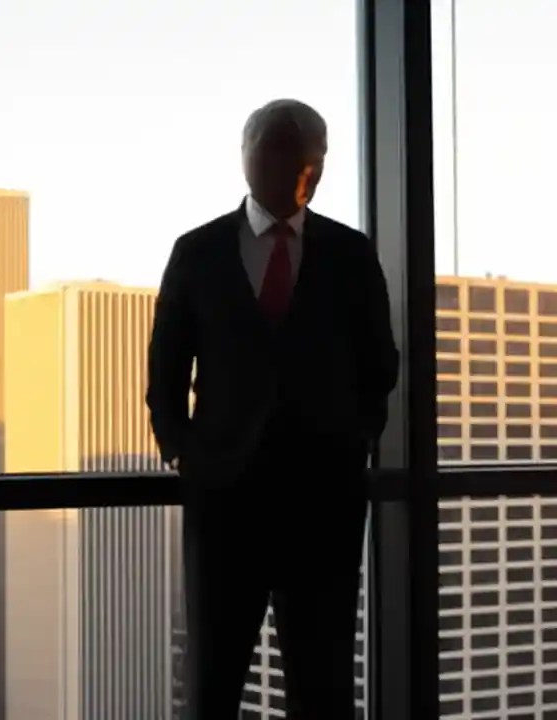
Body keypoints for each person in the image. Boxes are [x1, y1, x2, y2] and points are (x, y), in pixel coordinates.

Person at [146, 98, 399, 718]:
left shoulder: (351, 253)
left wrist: (354, 442)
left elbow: (380, 364)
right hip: (224, 502)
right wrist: (183, 452)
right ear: (247, 157)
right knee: (213, 680)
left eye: (305, 156)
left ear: (321, 166)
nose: (295, 169)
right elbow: (166, 369)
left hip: (324, 505)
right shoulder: (197, 251)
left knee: (324, 683)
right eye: (279, 150)